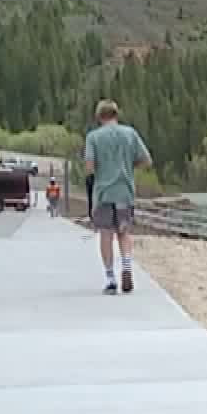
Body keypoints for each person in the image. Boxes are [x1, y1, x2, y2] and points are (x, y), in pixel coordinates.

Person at [84, 99, 153, 295]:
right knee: (124, 233)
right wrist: (129, 167)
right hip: (125, 191)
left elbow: (89, 167)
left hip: (104, 193)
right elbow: (147, 160)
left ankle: (111, 279)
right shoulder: (130, 133)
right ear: (116, 114)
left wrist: (98, 173)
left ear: (99, 117)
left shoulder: (93, 137)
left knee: (106, 235)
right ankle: (127, 267)